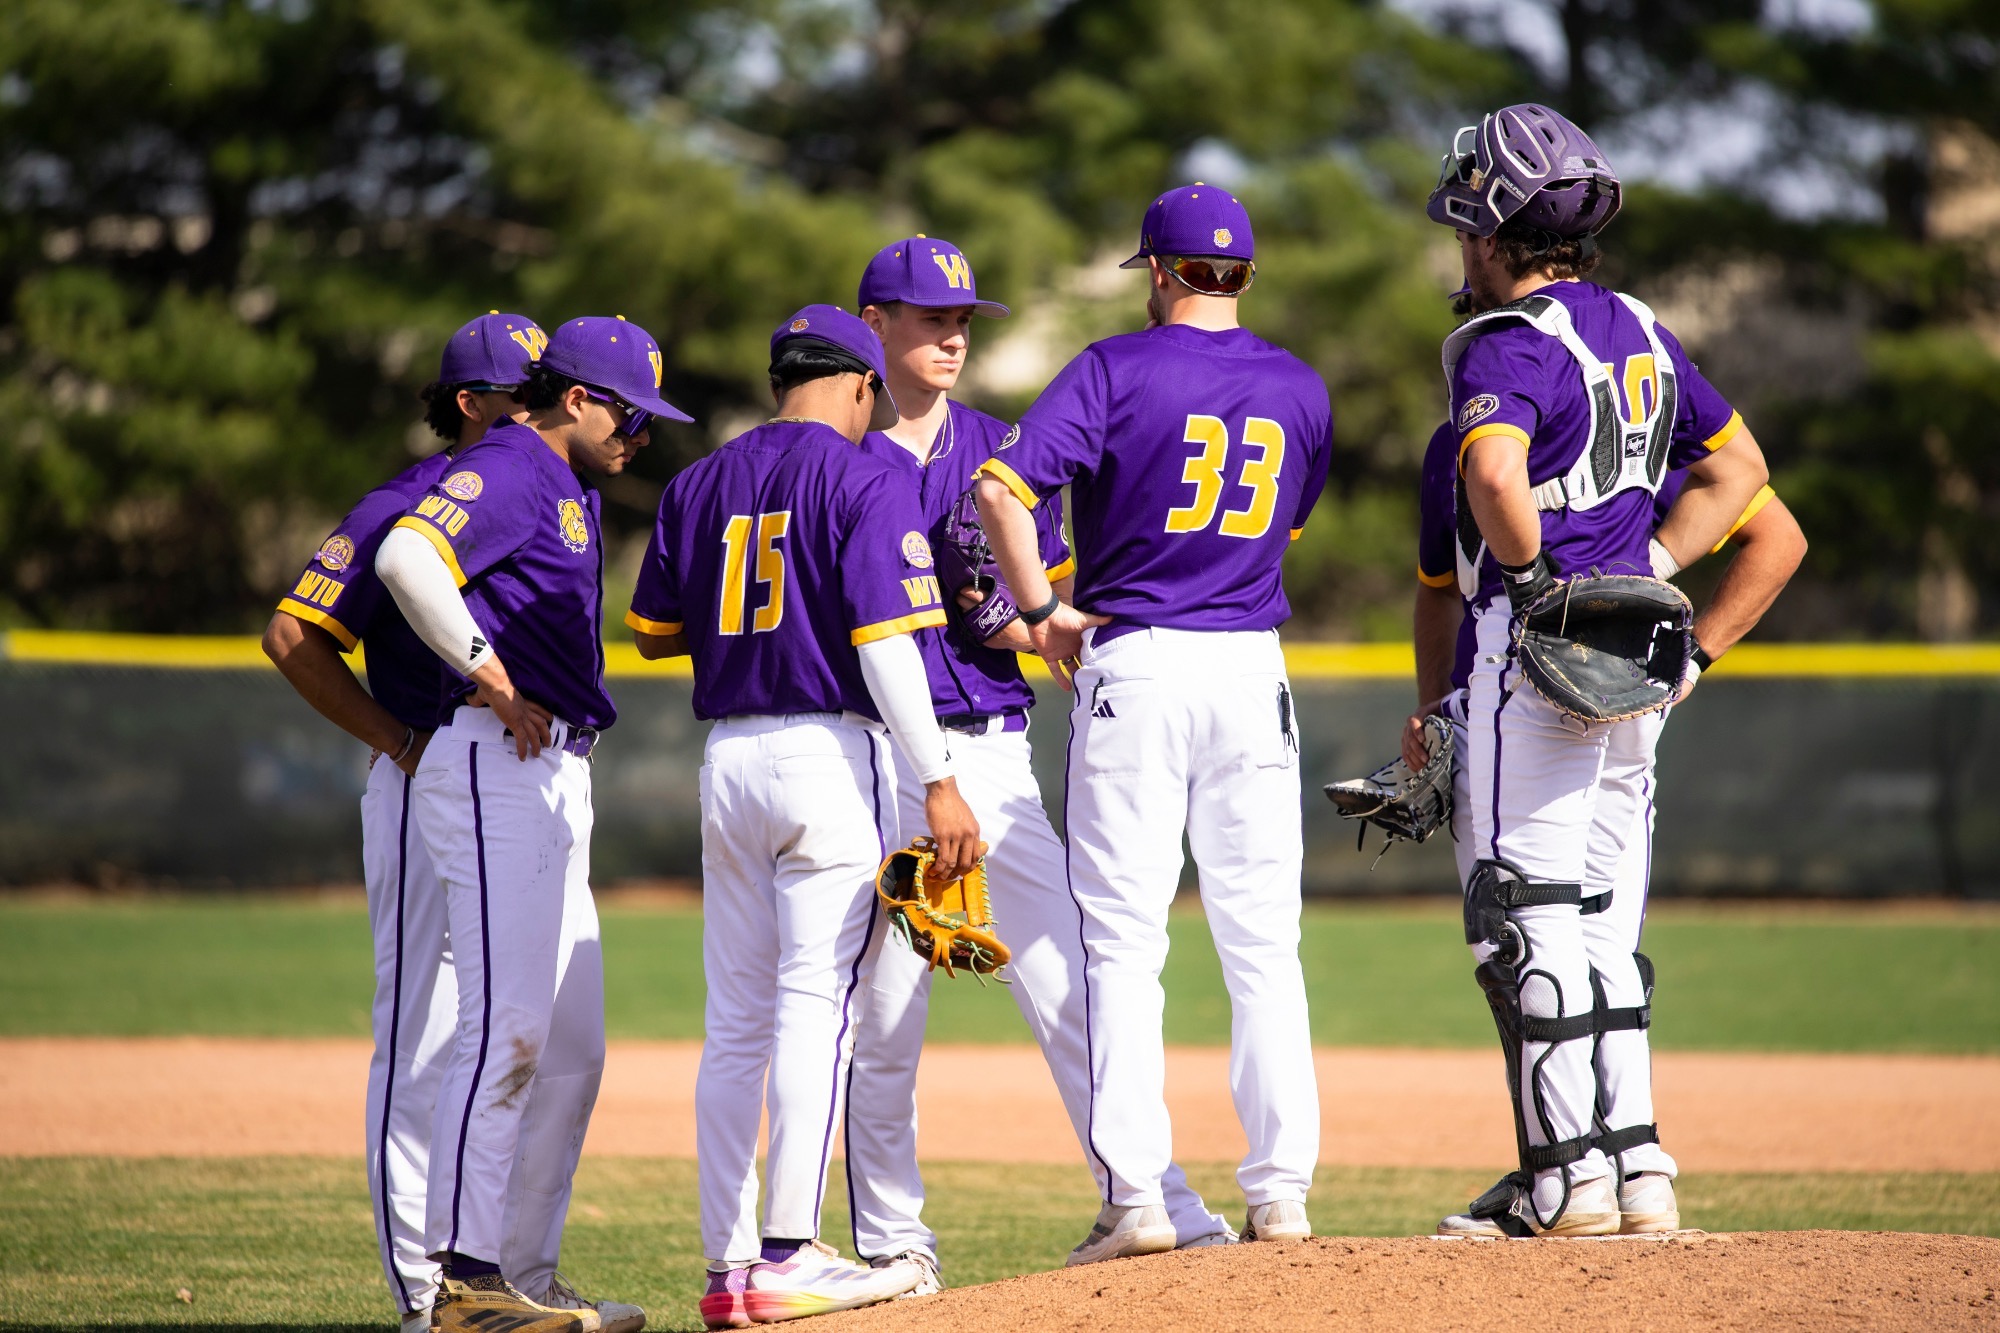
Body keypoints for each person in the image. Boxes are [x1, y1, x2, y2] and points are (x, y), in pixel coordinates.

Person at [840, 238, 1241, 1288]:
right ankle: (892, 1245)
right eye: (928, 316)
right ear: (873, 321)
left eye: (962, 316)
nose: (952, 333)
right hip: (877, 759)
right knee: (882, 1017)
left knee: (1070, 982)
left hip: (995, 757)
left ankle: (1151, 1196)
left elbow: (1024, 598)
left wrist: (1052, 627)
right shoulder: (839, 452)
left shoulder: (996, 445)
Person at [1419, 103, 1771, 1238]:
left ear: (1491, 228)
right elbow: (1739, 475)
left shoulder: (1505, 339)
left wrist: (1533, 588)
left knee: (1524, 920)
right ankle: (1638, 1170)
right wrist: (1646, 568)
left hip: (1542, 658)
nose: (1459, 245)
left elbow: (1489, 468)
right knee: (1601, 925)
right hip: (1632, 660)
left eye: (1465, 221)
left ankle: (1561, 1180)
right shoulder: (1636, 325)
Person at [974, 184, 1333, 1261]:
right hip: (1247, 666)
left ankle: (1136, 1198)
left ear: (1163, 274)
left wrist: (1039, 613)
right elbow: (1288, 527)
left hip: (1135, 659)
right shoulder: (1300, 387)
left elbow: (999, 490)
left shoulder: (1111, 368)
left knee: (1124, 943)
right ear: (1244, 277)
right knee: (1263, 942)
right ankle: (1282, 1197)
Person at [625, 305, 978, 1327]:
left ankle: (728, 1265)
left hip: (727, 759)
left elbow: (652, 632)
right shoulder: (869, 475)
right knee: (814, 1007)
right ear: (862, 384)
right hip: (828, 753)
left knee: (733, 1019)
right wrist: (940, 778)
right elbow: (884, 644)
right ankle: (788, 1248)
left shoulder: (697, 481)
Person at [376, 314, 686, 1333]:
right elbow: (406, 558)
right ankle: (461, 1286)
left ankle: (520, 1277)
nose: (641, 436)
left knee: (568, 1046)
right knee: (503, 1029)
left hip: (555, 771)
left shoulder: (570, 486)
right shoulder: (512, 462)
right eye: (632, 416)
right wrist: (483, 664)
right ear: (579, 398)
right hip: (492, 761)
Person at [262, 311, 541, 1333]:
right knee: (421, 1028)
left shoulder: (548, 491)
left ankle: (503, 1277)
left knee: (516, 1027)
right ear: (470, 405)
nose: (550, 403)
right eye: (526, 389)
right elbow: (291, 633)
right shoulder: (405, 502)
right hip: (428, 770)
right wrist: (401, 742)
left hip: (518, 783)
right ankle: (424, 1295)